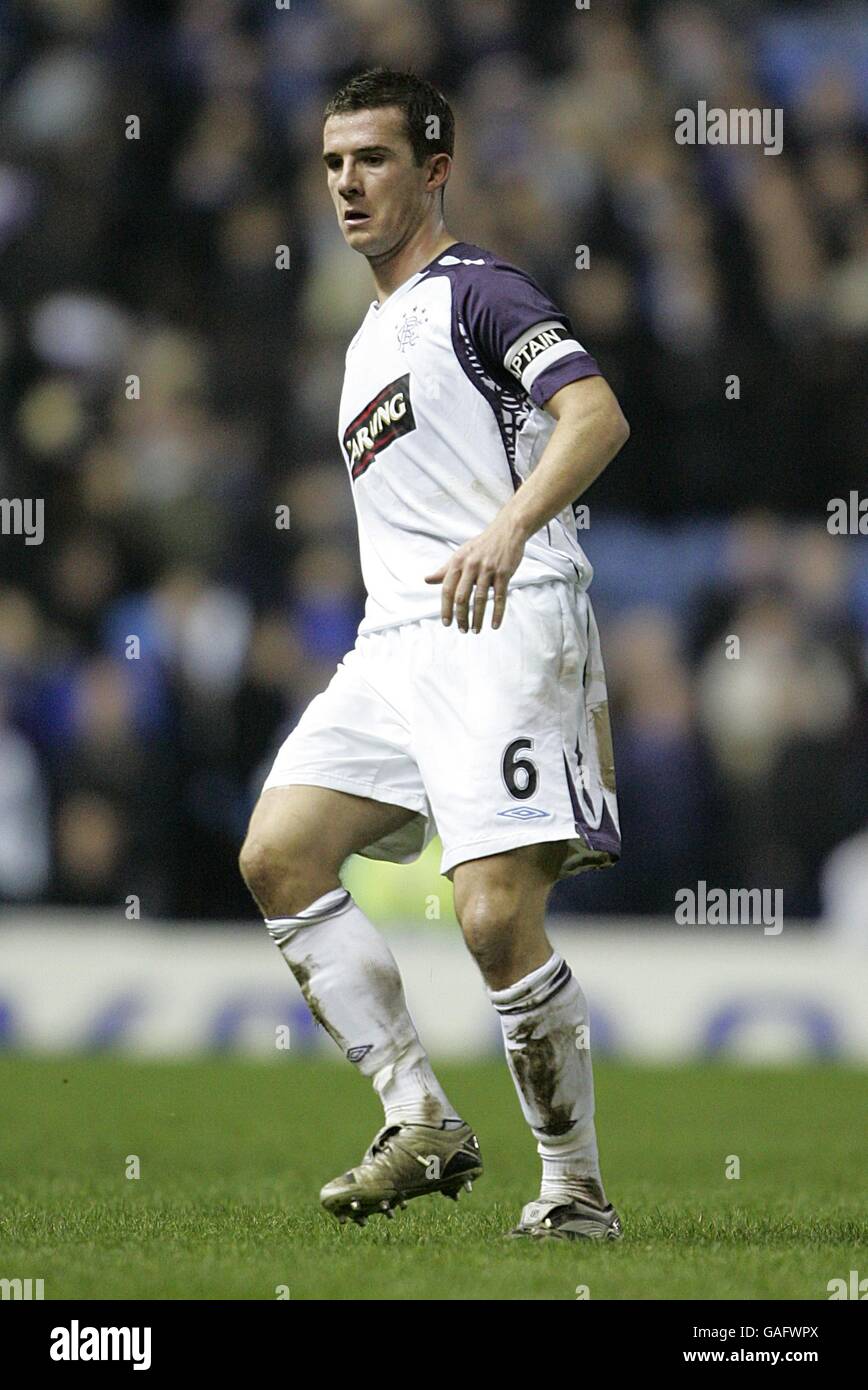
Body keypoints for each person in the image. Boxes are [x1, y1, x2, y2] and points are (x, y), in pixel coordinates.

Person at [239, 68, 630, 1241]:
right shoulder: (363, 338)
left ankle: (575, 1195)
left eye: (372, 159)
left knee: (492, 917)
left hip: (504, 616)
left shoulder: (479, 291)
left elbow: (596, 414)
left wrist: (509, 529)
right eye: (331, 163)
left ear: (435, 167)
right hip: (394, 641)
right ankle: (419, 1115)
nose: (347, 184)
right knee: (277, 853)